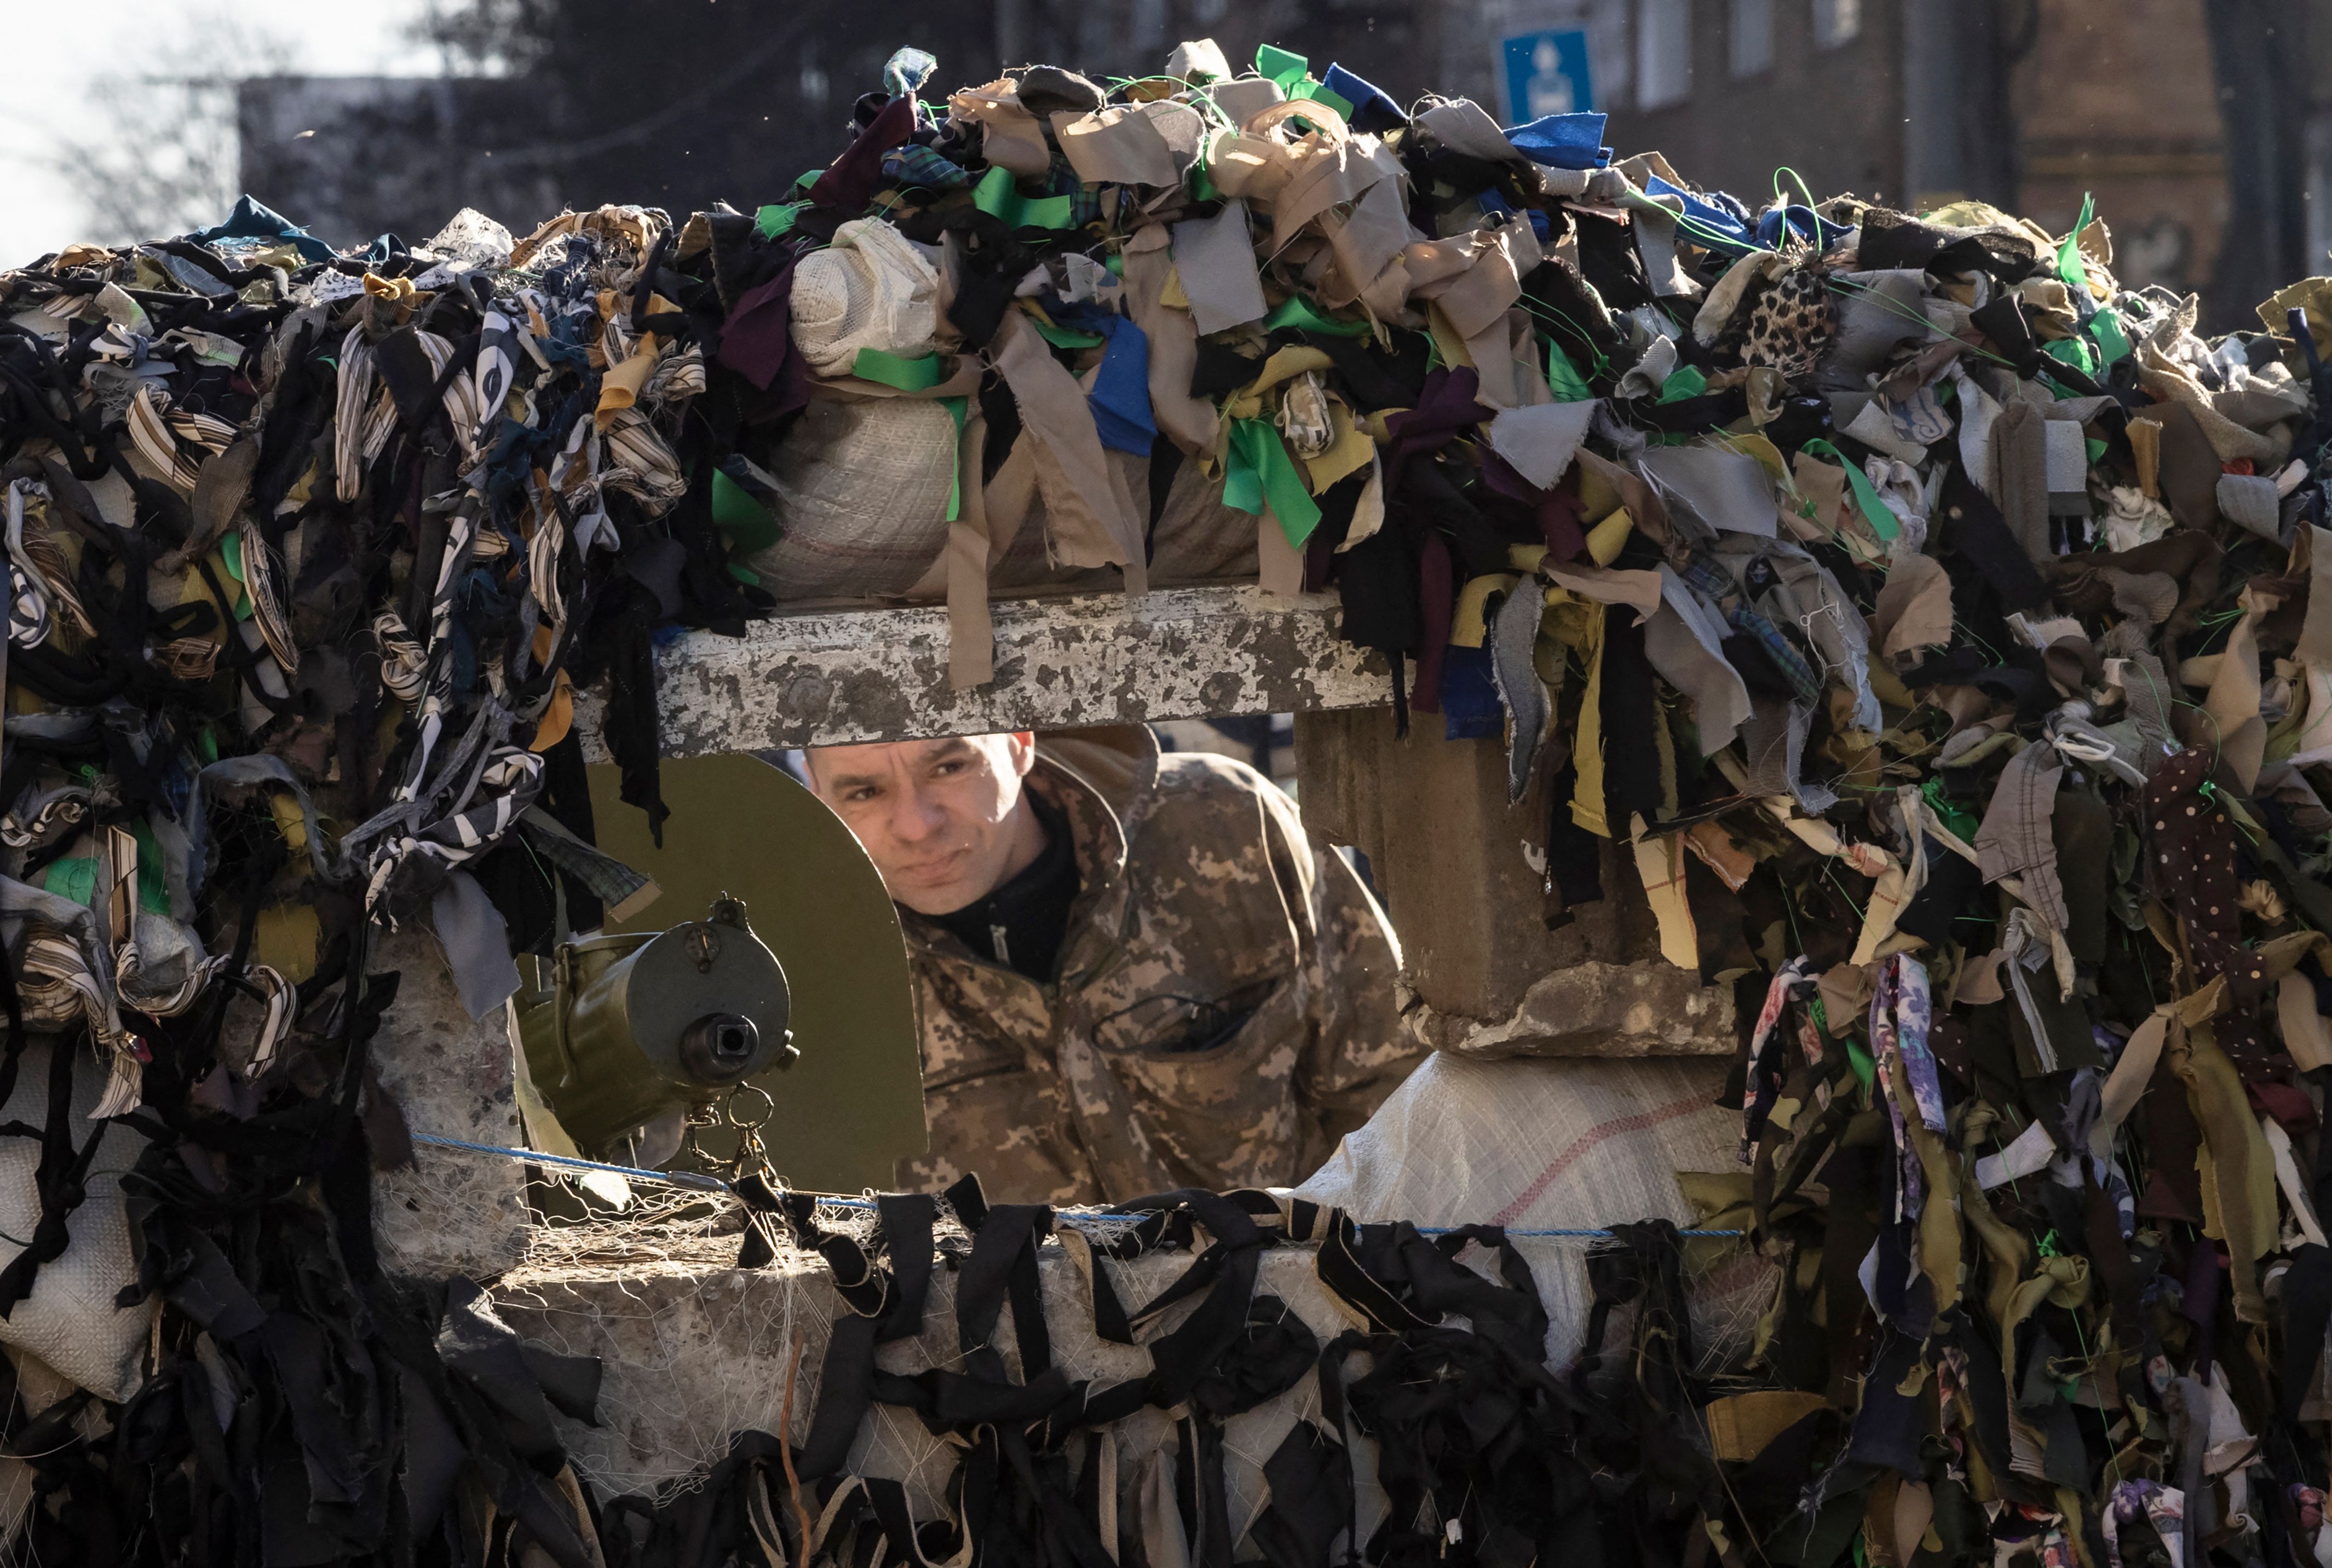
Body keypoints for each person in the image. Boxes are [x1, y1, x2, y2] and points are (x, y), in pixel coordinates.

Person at [803, 725, 1421, 1204]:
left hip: (1289, 1309)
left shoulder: (1225, 823)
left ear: (1019, 743)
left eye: (949, 766)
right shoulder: (805, 965)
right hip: (1006, 1337)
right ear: (816, 793)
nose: (917, 825)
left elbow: (1400, 1104)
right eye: (864, 792)